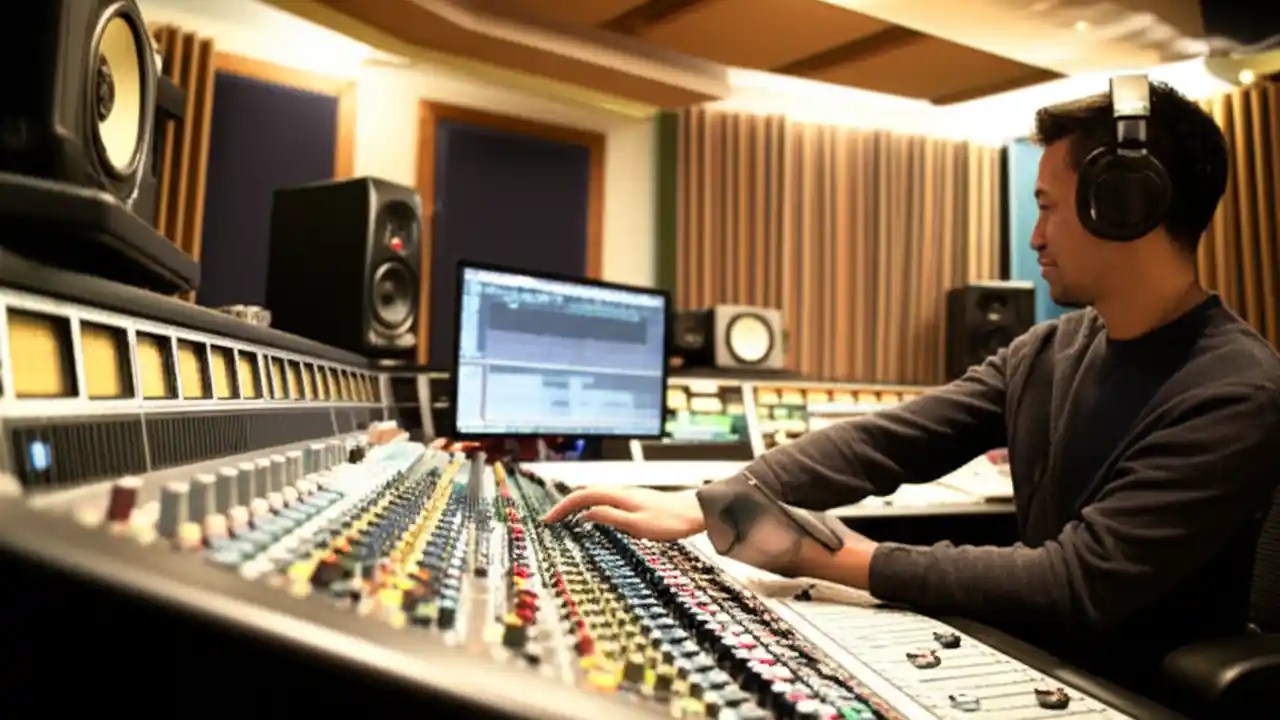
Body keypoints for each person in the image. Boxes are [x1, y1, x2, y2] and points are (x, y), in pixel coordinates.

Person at [543, 80, 1280, 696]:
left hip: (1125, 690)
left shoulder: (1232, 391)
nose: (1035, 237)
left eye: (1049, 206)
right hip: (1024, 654)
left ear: (1124, 205)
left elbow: (1075, 582)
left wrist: (830, 559)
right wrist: (705, 502)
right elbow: (892, 439)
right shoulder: (1052, 349)